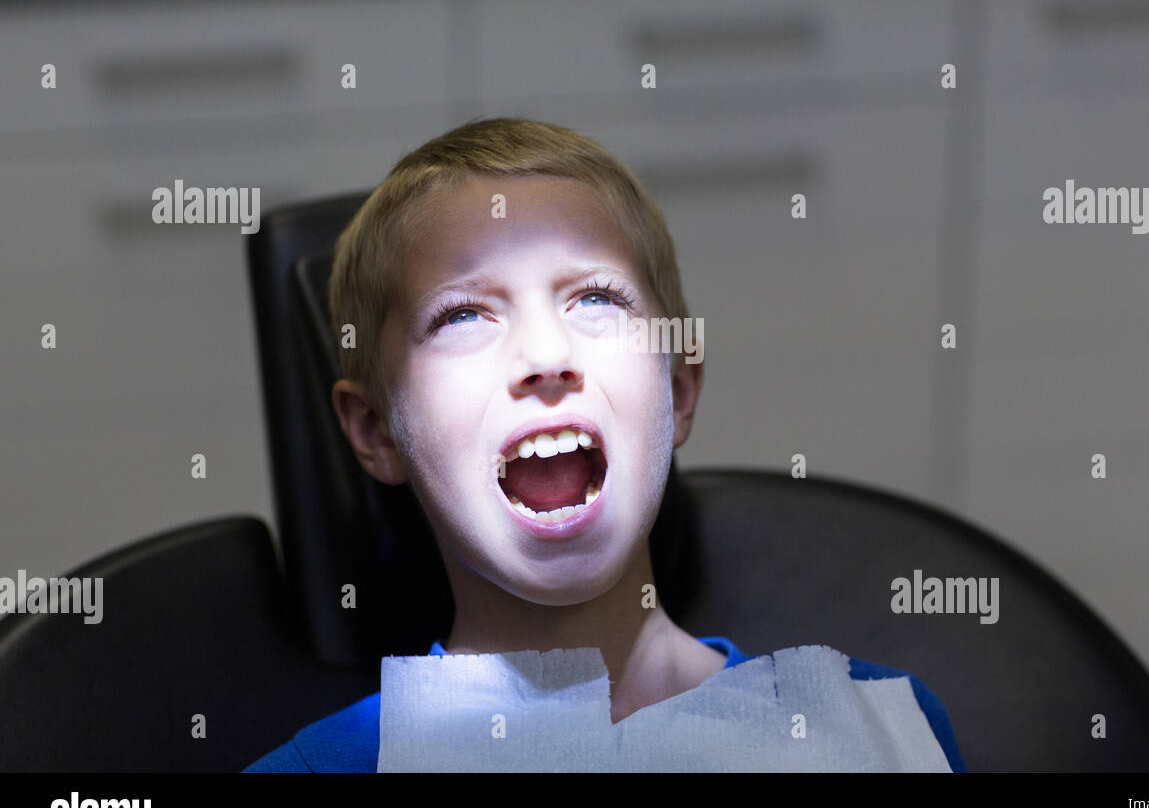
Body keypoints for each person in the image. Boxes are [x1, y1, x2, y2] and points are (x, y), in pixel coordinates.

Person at [244, 117, 965, 772]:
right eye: (464, 313)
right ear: (376, 431)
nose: (545, 354)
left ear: (678, 387)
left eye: (595, 299)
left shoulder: (884, 735)